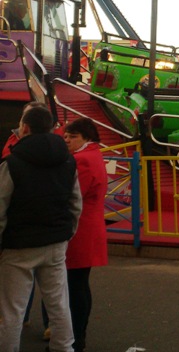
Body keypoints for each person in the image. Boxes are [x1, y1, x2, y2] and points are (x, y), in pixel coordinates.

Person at [0, 105, 82, 352]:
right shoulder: (68, 161)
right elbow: (75, 204)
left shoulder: (12, 163)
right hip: (56, 243)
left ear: (25, 128)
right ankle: (64, 348)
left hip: (18, 246)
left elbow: (0, 208)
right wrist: (67, 234)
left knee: (12, 310)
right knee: (59, 305)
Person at [63, 118, 109, 352]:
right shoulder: (94, 155)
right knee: (80, 284)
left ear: (86, 138)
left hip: (80, 229)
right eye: (66, 136)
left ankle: (76, 337)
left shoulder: (81, 160)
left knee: (74, 287)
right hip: (90, 226)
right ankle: (77, 336)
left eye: (73, 137)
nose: (68, 141)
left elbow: (73, 195)